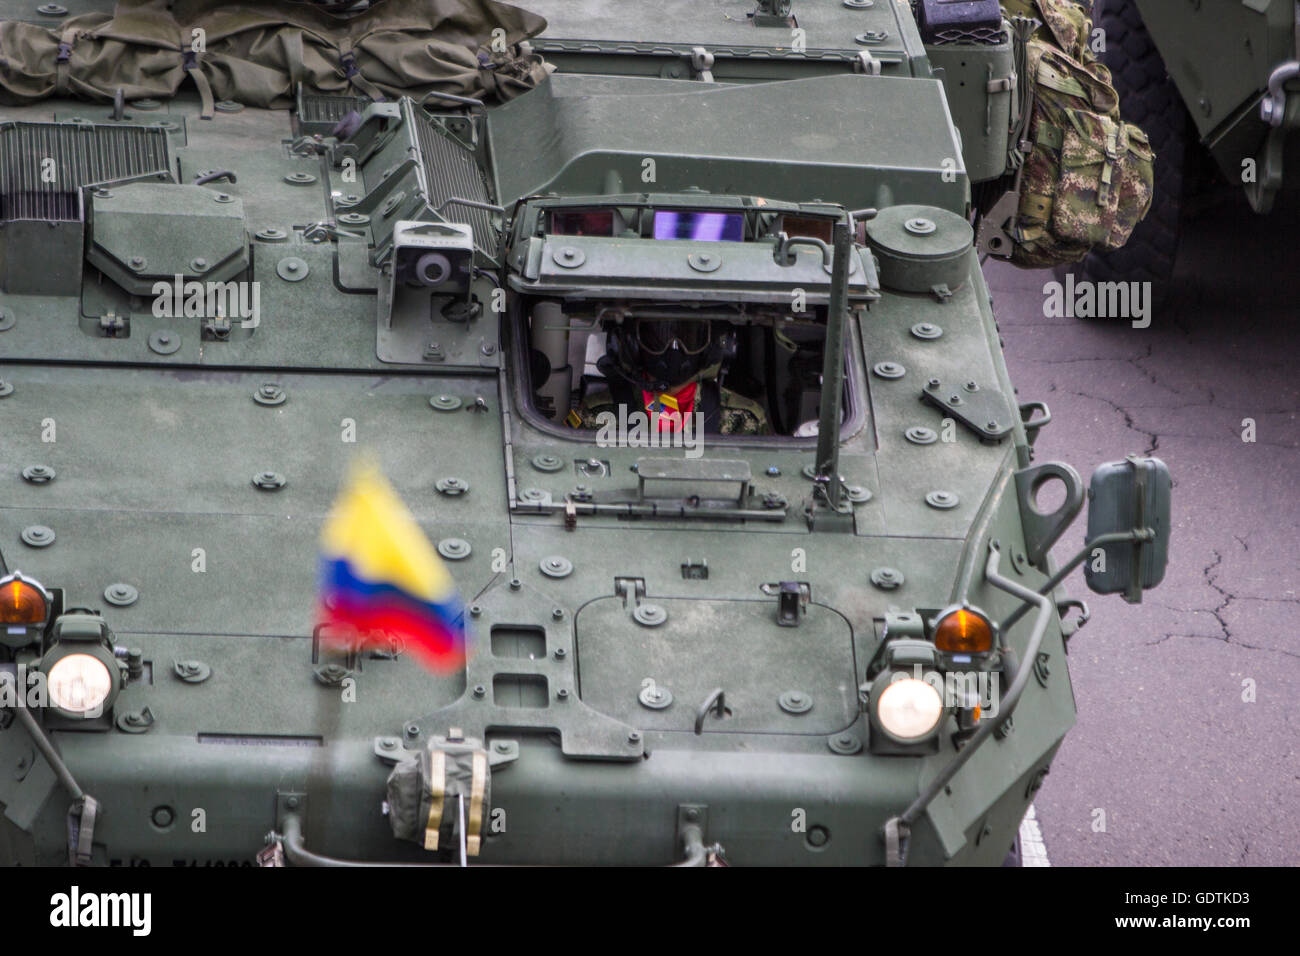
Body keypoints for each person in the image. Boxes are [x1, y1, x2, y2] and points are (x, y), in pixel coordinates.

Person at [567, 318, 769, 435]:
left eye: (689, 338)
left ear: (712, 349)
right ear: (633, 346)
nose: (674, 348)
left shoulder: (744, 420)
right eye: (658, 337)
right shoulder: (597, 415)